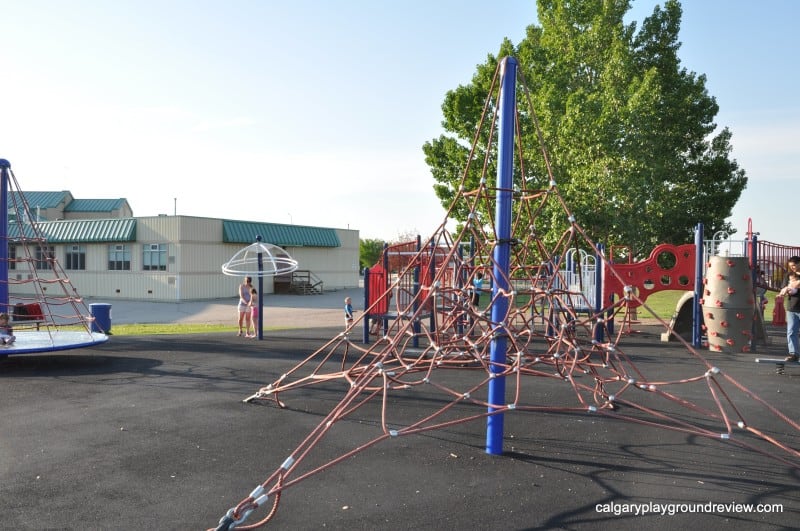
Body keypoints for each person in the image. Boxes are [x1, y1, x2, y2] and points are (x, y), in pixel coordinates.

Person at [779, 257, 800, 362]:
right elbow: (783, 287)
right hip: (792, 308)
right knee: (791, 332)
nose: (792, 268)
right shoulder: (788, 275)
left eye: (794, 265)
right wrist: (787, 288)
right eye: (790, 266)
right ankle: (794, 354)